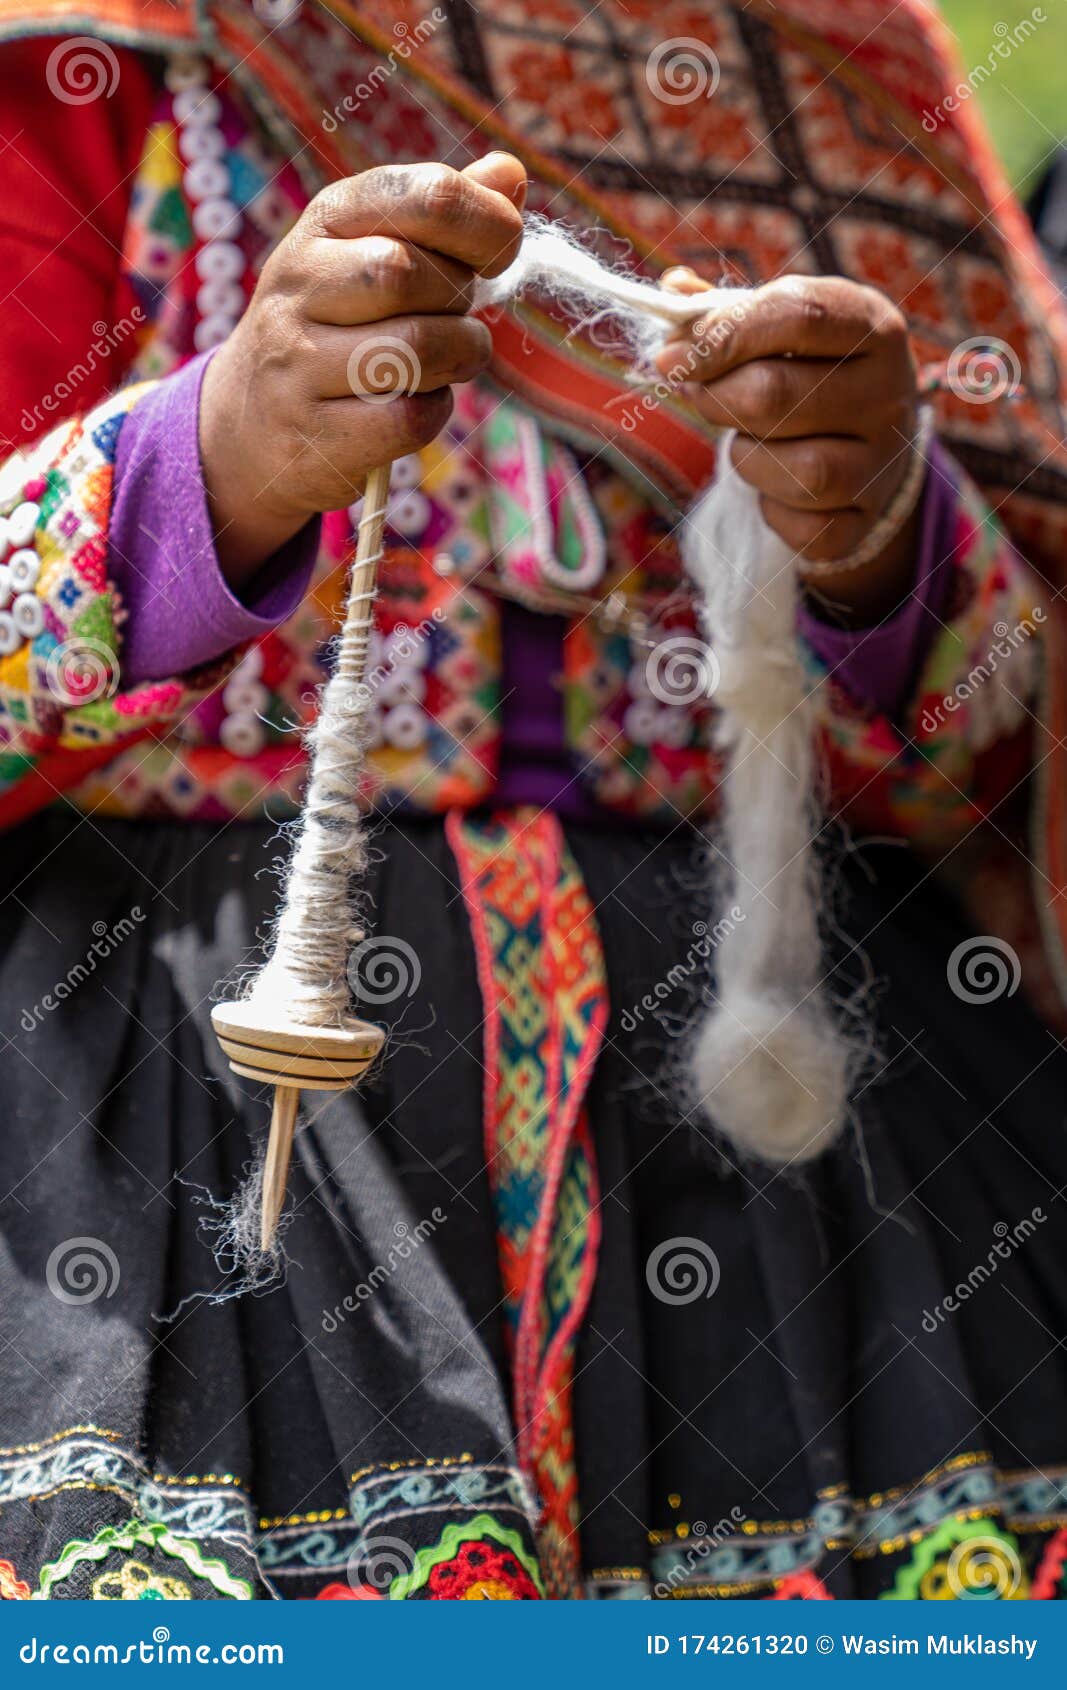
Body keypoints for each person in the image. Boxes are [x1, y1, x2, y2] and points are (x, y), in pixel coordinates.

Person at [0, 0, 1065, 1603]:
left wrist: (876, 539)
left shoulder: (845, 74)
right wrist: (214, 458)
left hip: (796, 1128)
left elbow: (1008, 759)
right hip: (162, 1095)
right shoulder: (92, 70)